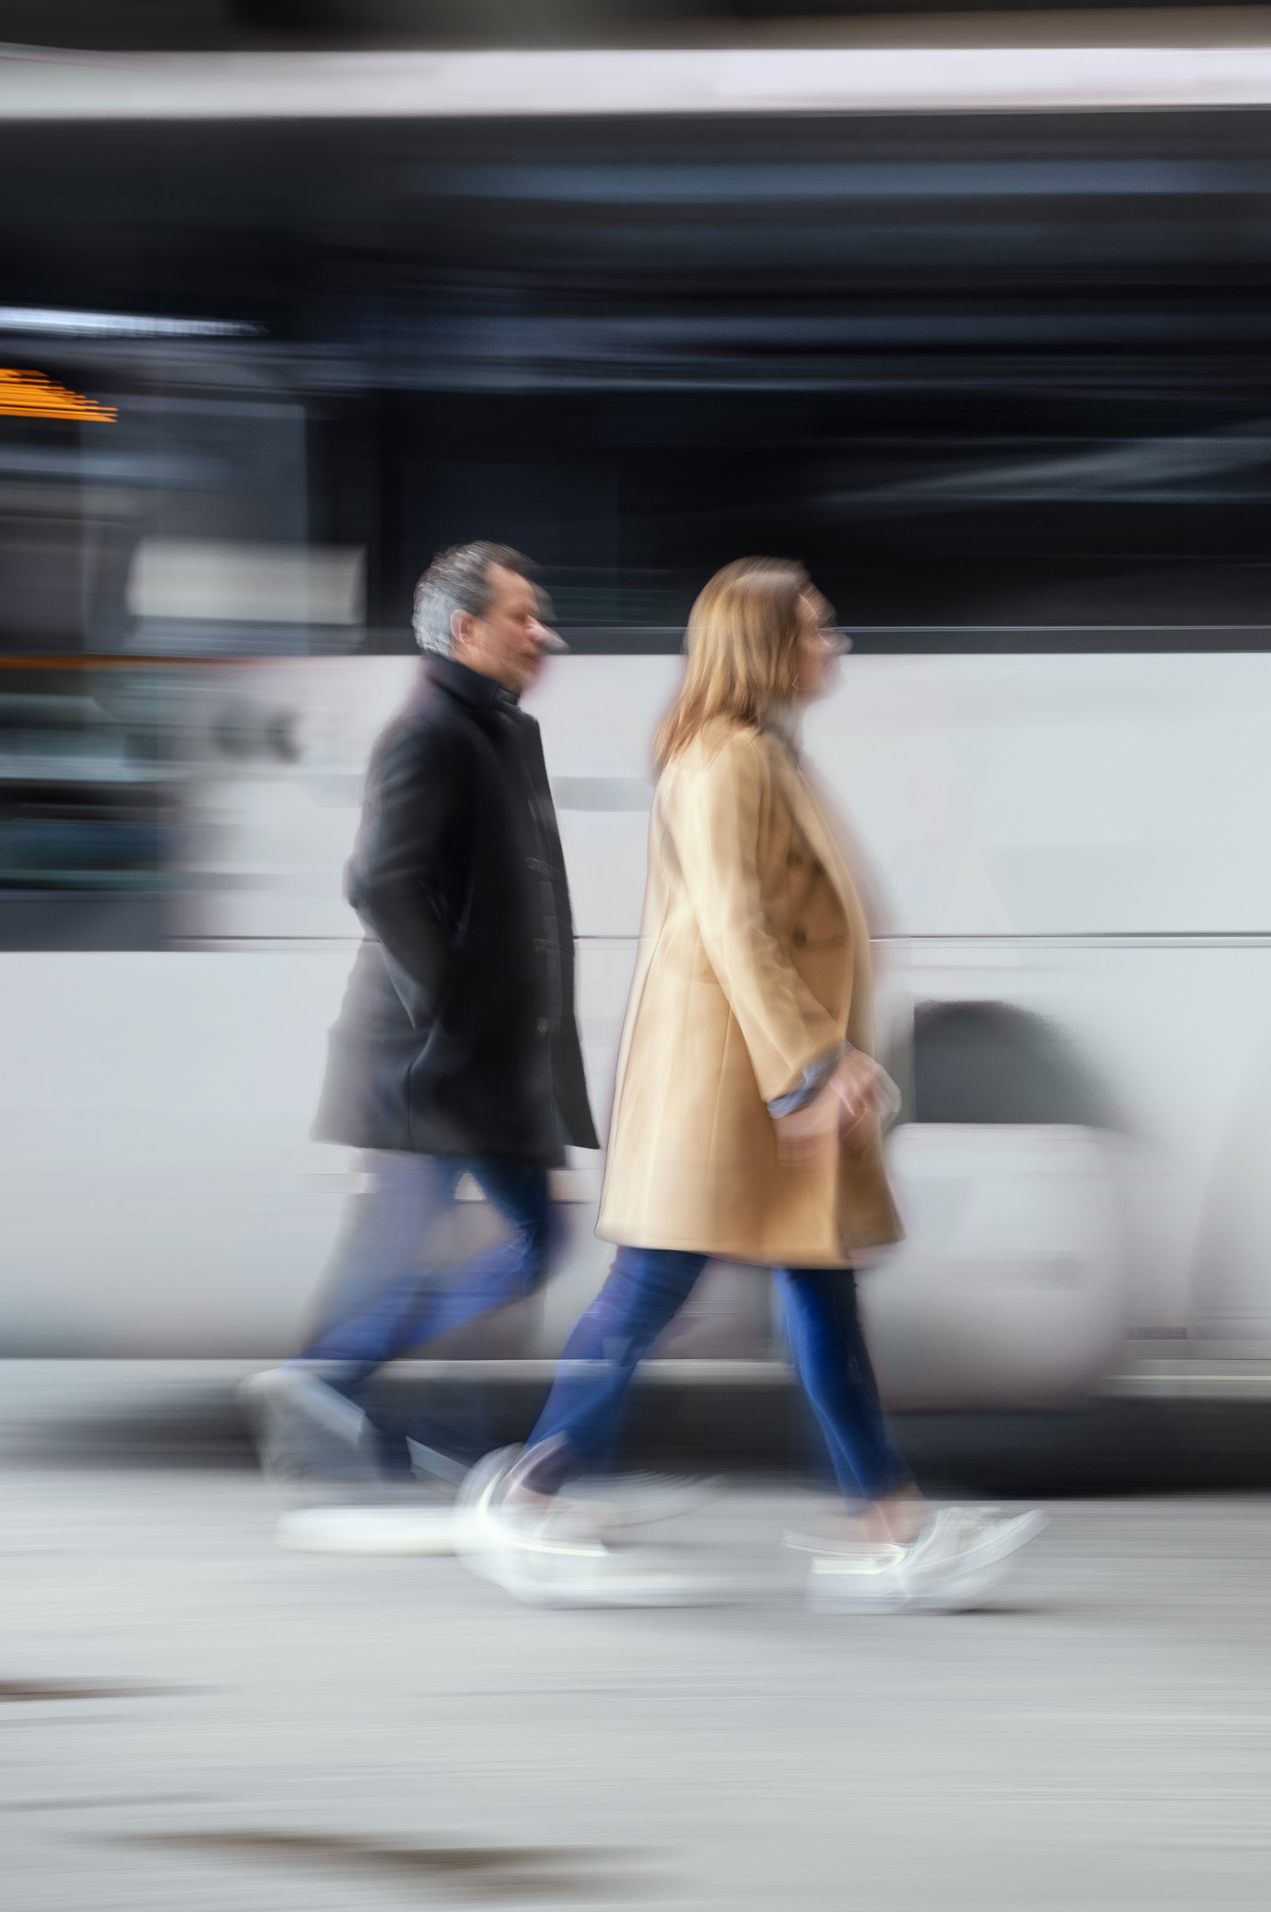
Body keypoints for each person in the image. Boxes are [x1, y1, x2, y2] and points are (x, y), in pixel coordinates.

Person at [460, 557, 1041, 1613]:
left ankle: (877, 1525)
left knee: (805, 1290)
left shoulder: (760, 751)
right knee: (655, 1292)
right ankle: (532, 1494)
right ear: (765, 643)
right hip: (730, 1086)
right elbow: (737, 927)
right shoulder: (724, 760)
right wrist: (809, 1070)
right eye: (817, 627)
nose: (835, 643)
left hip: (756, 1084)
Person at [244, 543, 609, 1490]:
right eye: (522, 616)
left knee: (471, 1241)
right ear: (466, 630)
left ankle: (400, 1419)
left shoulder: (496, 726)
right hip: (442, 1057)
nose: (543, 633)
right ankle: (338, 1386)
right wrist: (450, 1001)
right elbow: (378, 881)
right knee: (527, 1240)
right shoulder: (430, 731)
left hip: (481, 1051)